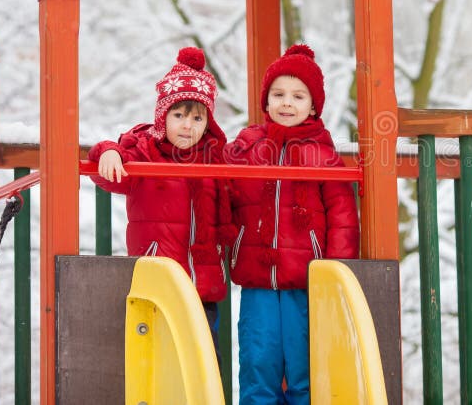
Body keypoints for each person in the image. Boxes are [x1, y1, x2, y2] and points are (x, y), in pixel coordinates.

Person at [222, 44, 359, 405]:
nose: (287, 103)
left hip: (306, 282)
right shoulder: (248, 146)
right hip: (257, 279)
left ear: (313, 106)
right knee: (257, 361)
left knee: (305, 368)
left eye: (298, 96)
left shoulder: (323, 155)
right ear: (266, 102)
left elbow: (343, 217)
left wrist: (333, 272)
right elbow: (221, 185)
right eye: (278, 94)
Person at [88, 46, 232, 361]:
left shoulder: (214, 158)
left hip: (201, 288)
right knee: (159, 363)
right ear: (162, 116)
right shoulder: (145, 151)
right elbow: (113, 175)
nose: (187, 125)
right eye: (178, 115)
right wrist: (107, 151)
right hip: (158, 283)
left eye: (197, 117)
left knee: (203, 362)